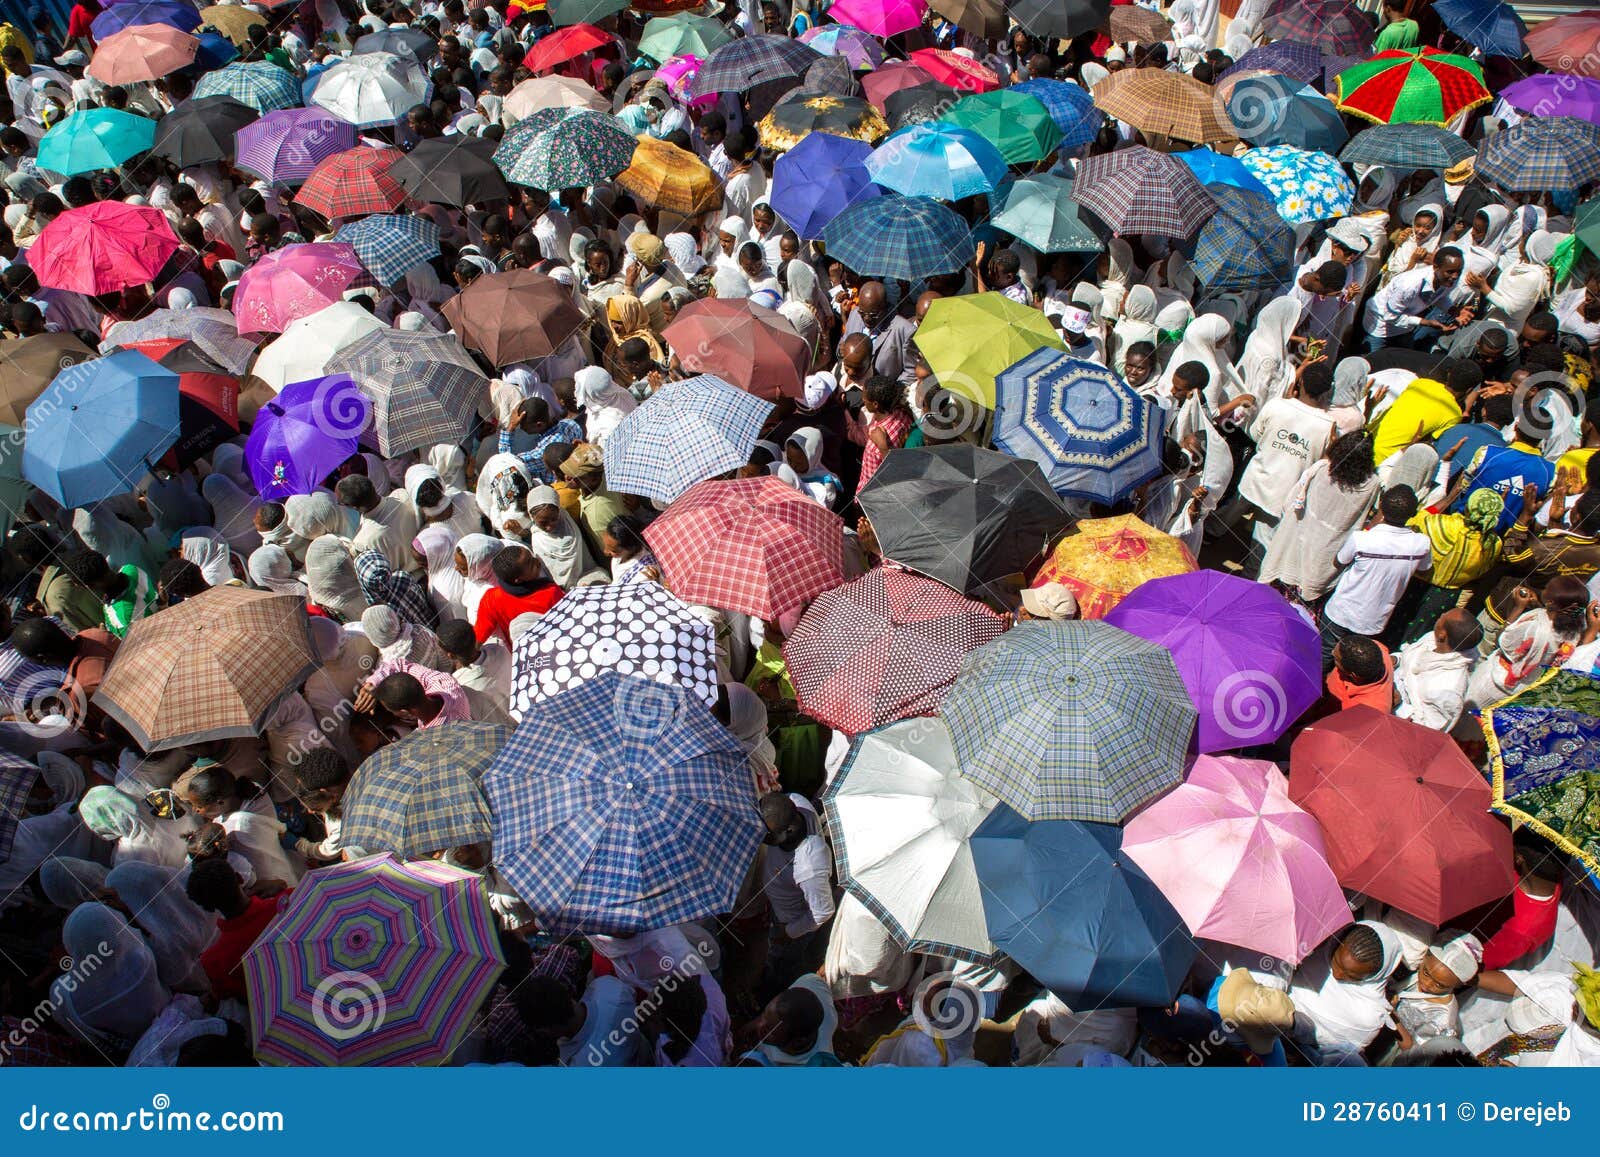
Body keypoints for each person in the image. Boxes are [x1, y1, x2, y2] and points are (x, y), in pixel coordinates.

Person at [1321, 486, 1434, 668]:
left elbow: (1338, 561)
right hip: (1374, 621)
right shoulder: (1421, 543)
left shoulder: (1362, 539)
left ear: (1380, 506)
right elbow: (1425, 568)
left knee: (1324, 654)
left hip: (1340, 611)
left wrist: (1371, 527)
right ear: (1413, 513)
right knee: (1353, 664)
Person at [186, 857, 289, 1004]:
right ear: (240, 878)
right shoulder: (290, 900)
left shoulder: (214, 962)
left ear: (208, 908)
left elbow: (247, 999)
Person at [1392, 608, 1482, 731]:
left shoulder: (1449, 691)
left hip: (1395, 723)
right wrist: (1396, 659)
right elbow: (1410, 657)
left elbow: (1427, 729)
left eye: (1443, 617)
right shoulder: (1433, 639)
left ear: (1442, 635)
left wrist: (1400, 704)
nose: (1442, 614)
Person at [474, 545, 563, 645]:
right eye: (530, 564)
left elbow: (478, 637)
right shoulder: (550, 593)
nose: (536, 561)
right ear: (518, 579)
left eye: (532, 557)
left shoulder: (492, 597)